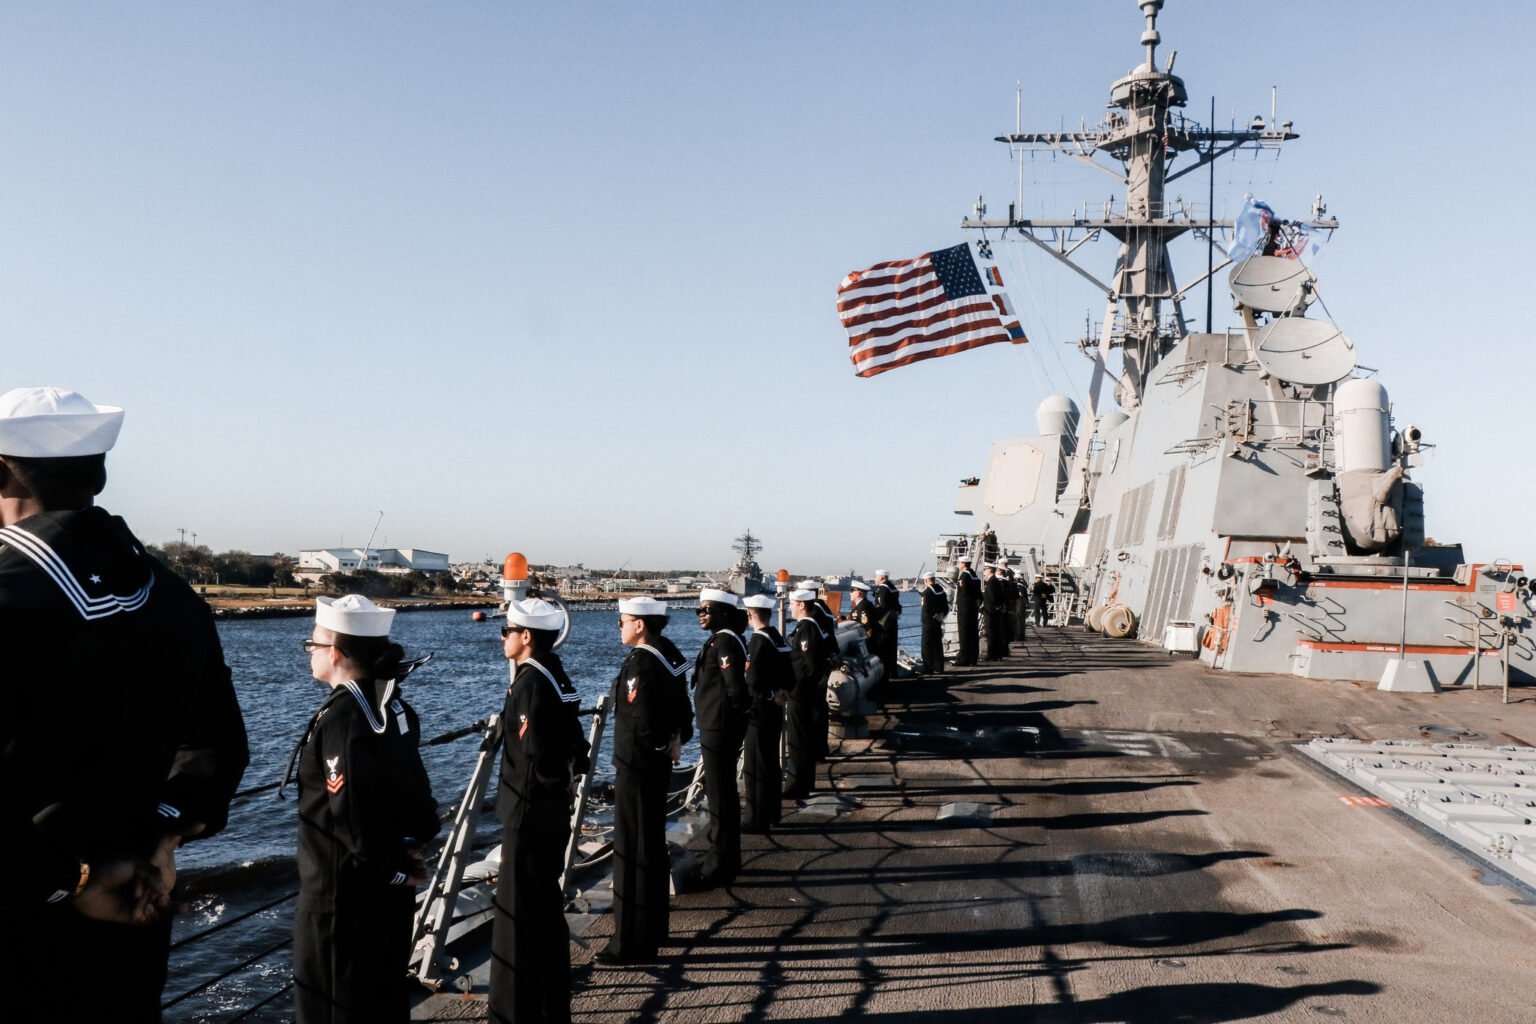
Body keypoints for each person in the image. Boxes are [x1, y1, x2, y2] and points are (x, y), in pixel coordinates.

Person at [1, 387, 249, 1024]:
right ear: (98, 474)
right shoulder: (174, 598)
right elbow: (218, 747)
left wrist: (77, 876)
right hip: (137, 912)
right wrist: (163, 831)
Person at [291, 595, 440, 1024]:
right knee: (384, 1003)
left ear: (336, 652)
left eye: (313, 644)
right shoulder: (392, 707)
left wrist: (389, 870)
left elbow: (350, 815)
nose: (310, 652)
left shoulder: (345, 717)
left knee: (331, 1009)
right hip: (386, 893)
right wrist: (405, 855)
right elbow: (419, 800)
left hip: (341, 897)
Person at [489, 598, 590, 1021]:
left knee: (517, 917)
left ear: (526, 636)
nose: (502, 638)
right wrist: (566, 779)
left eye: (506, 631)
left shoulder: (530, 681)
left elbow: (535, 751)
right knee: (547, 911)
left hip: (528, 813)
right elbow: (576, 746)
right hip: (551, 811)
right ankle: (552, 1006)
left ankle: (515, 1012)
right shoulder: (555, 673)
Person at [601, 596, 692, 964]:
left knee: (631, 853)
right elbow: (683, 709)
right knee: (652, 847)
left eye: (622, 621)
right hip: (658, 766)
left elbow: (641, 718)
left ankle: (629, 943)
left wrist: (660, 743)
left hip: (637, 766)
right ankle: (654, 930)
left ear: (639, 624)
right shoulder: (669, 654)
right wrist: (676, 739)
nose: (619, 627)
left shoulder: (641, 663)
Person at [689, 588, 750, 889]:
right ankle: (729, 859)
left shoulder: (725, 642)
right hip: (717, 724)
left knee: (720, 796)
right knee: (722, 793)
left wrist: (734, 718)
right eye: (699, 610)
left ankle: (719, 864)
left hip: (719, 726)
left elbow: (735, 688)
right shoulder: (722, 639)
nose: (701, 614)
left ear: (723, 613)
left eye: (707, 610)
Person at [741, 594, 790, 833]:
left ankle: (755, 819)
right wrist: (781, 692)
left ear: (750, 615)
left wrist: (770, 694)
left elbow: (751, 680)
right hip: (776, 710)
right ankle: (773, 812)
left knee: (755, 766)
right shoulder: (777, 638)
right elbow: (791, 673)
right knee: (770, 762)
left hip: (759, 712)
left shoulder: (757, 642)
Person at [784, 589, 831, 798]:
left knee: (797, 740)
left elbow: (808, 665)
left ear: (802, 605)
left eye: (792, 604)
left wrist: (794, 689)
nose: (789, 608)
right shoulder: (809, 627)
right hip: (804, 693)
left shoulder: (807, 629)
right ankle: (805, 782)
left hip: (800, 694)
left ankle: (797, 786)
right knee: (804, 739)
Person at [872, 569, 902, 680]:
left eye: (876, 576)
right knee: (892, 649)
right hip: (892, 623)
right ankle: (892, 672)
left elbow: (881, 608)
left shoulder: (883, 590)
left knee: (884, 649)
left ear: (882, 578)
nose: (875, 579)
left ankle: (884, 674)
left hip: (884, 625)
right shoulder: (893, 589)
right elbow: (898, 607)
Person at [918, 571, 949, 676]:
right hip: (938, 621)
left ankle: (928, 668)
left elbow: (926, 609)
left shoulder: (927, 593)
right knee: (937, 645)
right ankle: (939, 667)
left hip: (928, 622)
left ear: (926, 580)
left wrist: (930, 617)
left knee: (926, 645)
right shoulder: (941, 591)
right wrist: (940, 615)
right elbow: (945, 606)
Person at [953, 556, 982, 666]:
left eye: (959, 563)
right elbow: (979, 594)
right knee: (973, 633)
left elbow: (964, 593)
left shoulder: (964, 576)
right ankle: (973, 659)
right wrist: (976, 603)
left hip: (965, 609)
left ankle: (963, 659)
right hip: (973, 609)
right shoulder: (974, 575)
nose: (958, 565)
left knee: (964, 633)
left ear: (963, 564)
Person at [848, 579, 882, 659]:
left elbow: (867, 627)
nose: (850, 593)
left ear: (858, 594)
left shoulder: (864, 607)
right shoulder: (861, 605)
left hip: (868, 644)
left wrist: (865, 645)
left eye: (852, 591)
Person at [983, 562, 1011, 661]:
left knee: (991, 633)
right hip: (995, 611)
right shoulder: (995, 580)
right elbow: (1000, 596)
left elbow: (993, 597)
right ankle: (997, 654)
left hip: (991, 611)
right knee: (996, 633)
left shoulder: (991, 581)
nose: (984, 571)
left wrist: (996, 606)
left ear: (990, 570)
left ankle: (991, 655)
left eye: (985, 569)